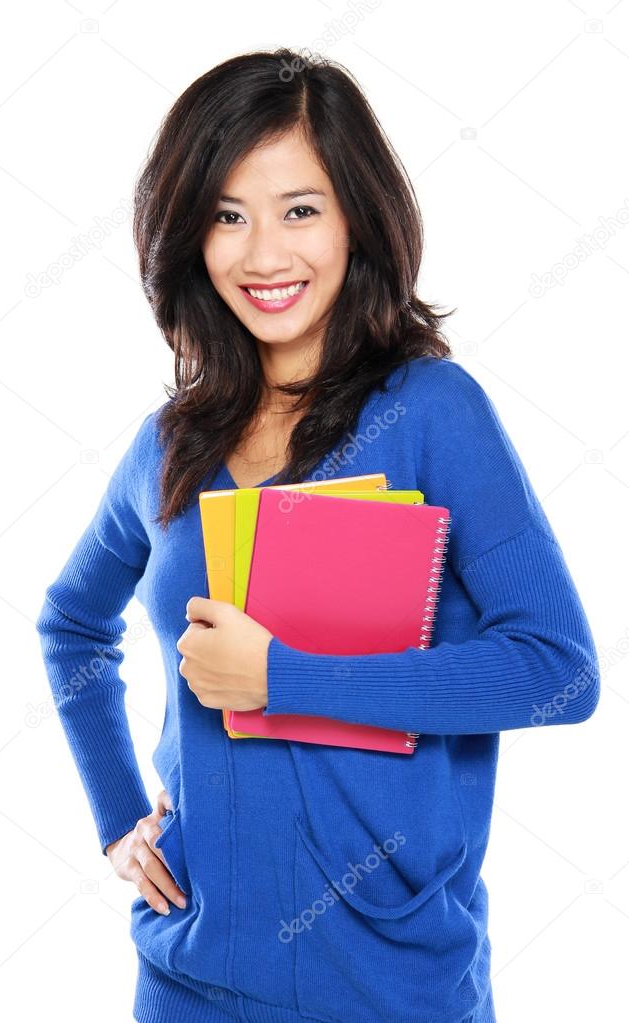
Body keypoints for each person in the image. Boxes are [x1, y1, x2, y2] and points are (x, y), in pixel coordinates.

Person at [35, 47, 600, 1023]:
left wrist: (284, 679)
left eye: (299, 209)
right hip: (189, 978)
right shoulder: (169, 444)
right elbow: (70, 623)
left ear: (357, 218)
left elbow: (556, 669)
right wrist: (121, 818)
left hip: (396, 980)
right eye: (226, 214)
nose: (263, 255)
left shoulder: (432, 413)